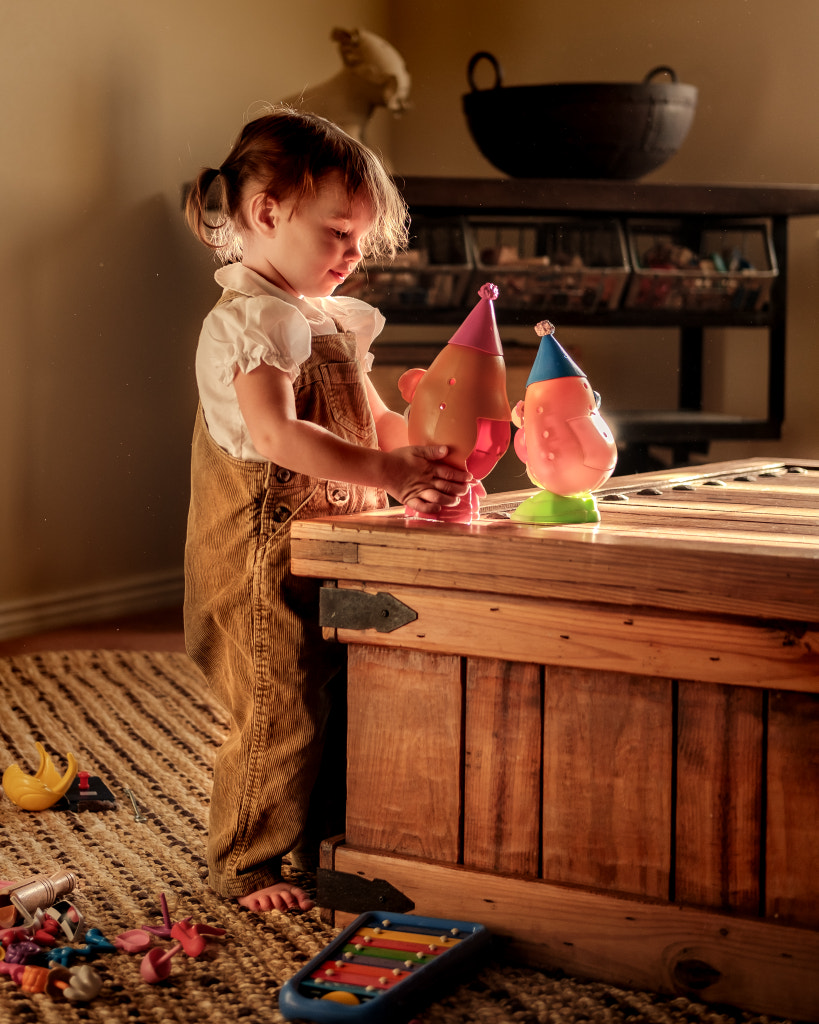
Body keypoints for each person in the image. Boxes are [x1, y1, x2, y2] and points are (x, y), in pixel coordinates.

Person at [183, 106, 470, 915]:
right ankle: (248, 861)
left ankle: (322, 838)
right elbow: (278, 432)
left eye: (359, 240)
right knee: (285, 705)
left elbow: (371, 420)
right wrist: (382, 467)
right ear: (267, 210)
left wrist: (423, 441)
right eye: (338, 232)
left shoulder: (328, 322)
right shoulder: (250, 319)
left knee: (347, 691)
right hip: (260, 557)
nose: (351, 255)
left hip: (334, 546)